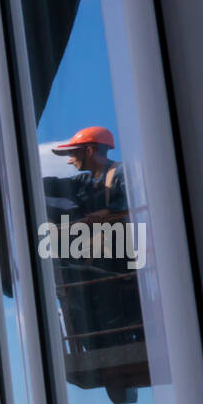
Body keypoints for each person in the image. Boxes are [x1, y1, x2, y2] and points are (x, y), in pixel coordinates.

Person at [47, 126, 141, 355]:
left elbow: (136, 196)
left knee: (122, 299)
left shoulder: (122, 173)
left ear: (90, 150)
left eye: (74, 154)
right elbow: (55, 186)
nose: (70, 161)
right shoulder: (85, 182)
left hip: (122, 256)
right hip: (101, 258)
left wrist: (108, 212)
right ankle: (100, 341)